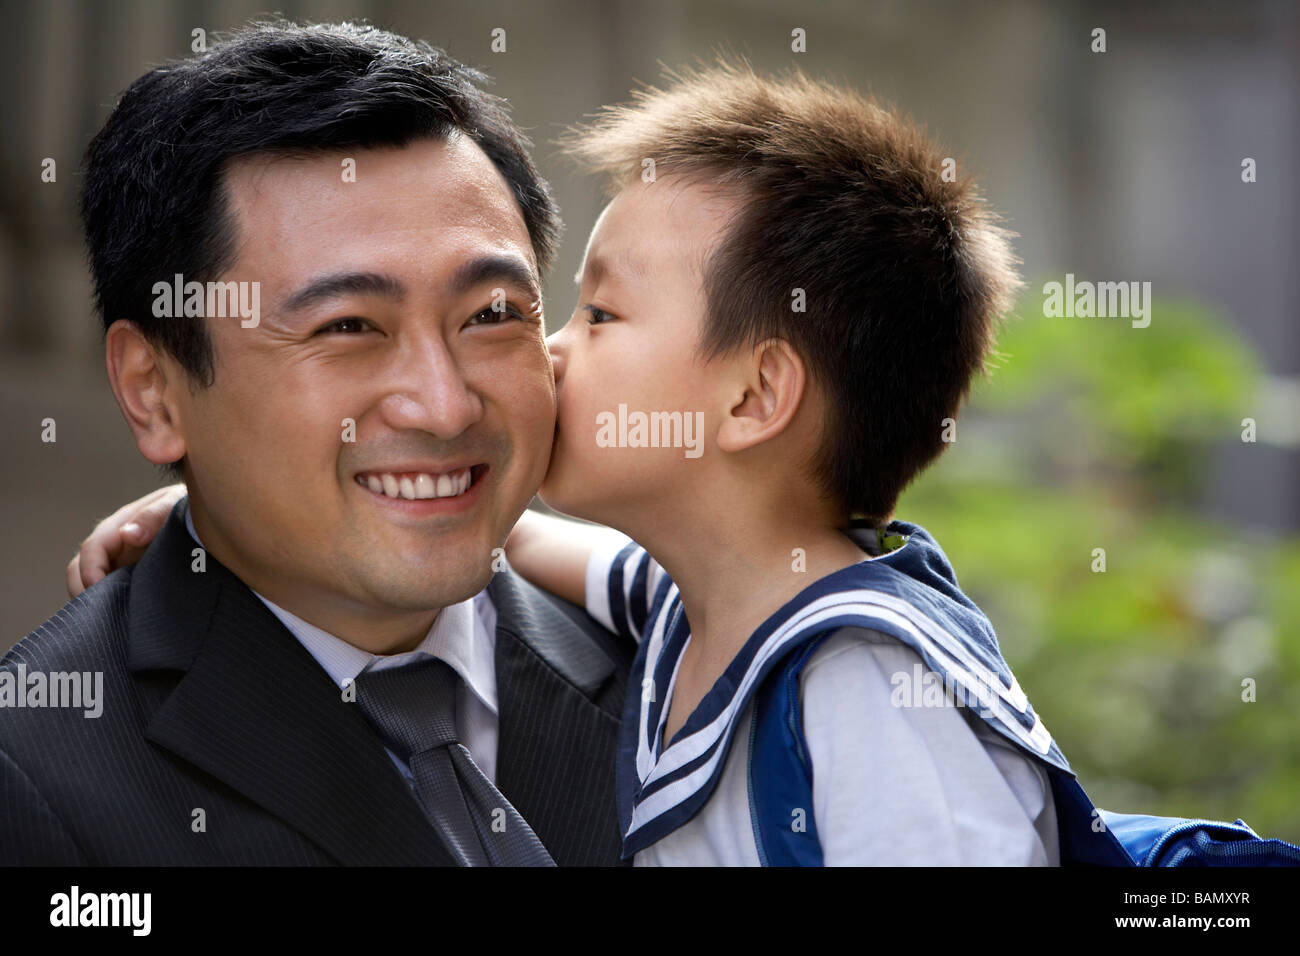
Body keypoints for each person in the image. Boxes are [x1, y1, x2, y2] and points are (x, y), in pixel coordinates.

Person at [73, 62, 1074, 866]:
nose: (545, 352)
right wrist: (223, 494)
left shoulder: (863, 681)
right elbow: (515, 531)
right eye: (349, 327)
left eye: (595, 315)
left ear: (752, 397)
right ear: (152, 382)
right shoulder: (686, 605)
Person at [0, 21, 632, 866]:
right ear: (154, 391)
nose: (443, 408)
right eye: (347, 326)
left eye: (490, 315)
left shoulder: (685, 662)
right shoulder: (37, 772)